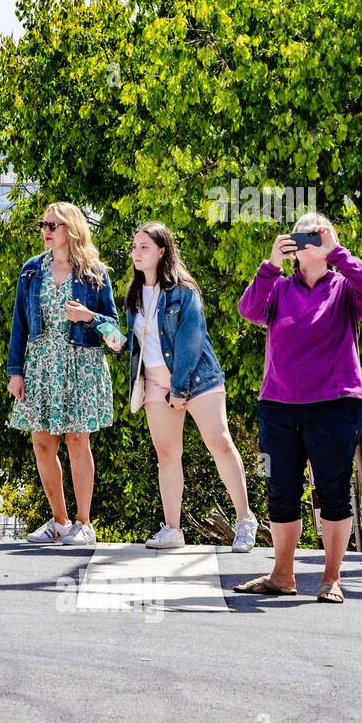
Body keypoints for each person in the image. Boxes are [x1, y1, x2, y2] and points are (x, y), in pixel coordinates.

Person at [234, 213, 362, 603]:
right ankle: (282, 574)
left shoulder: (345, 289)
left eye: (318, 234)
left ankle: (331, 577)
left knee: (333, 491)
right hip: (279, 406)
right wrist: (269, 265)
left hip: (335, 406)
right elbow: (248, 310)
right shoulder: (280, 287)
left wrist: (340, 254)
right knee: (280, 490)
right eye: (304, 234)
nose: (310, 241)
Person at [121, 223, 258, 551]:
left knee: (219, 443)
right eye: (134, 247)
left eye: (144, 247)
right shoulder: (134, 294)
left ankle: (245, 520)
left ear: (161, 252)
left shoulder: (184, 291)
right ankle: (173, 529)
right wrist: (114, 338)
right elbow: (140, 343)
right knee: (167, 454)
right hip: (153, 381)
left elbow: (191, 340)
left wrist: (180, 388)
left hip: (196, 379)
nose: (136, 253)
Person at [6, 202, 117, 545]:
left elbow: (114, 327)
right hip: (41, 364)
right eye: (44, 224)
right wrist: (16, 371)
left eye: (54, 224)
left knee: (77, 441)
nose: (47, 230)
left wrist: (88, 317)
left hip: (80, 363)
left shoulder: (94, 272)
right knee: (42, 442)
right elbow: (19, 326)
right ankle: (59, 521)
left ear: (72, 228)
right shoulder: (31, 271)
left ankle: (84, 523)